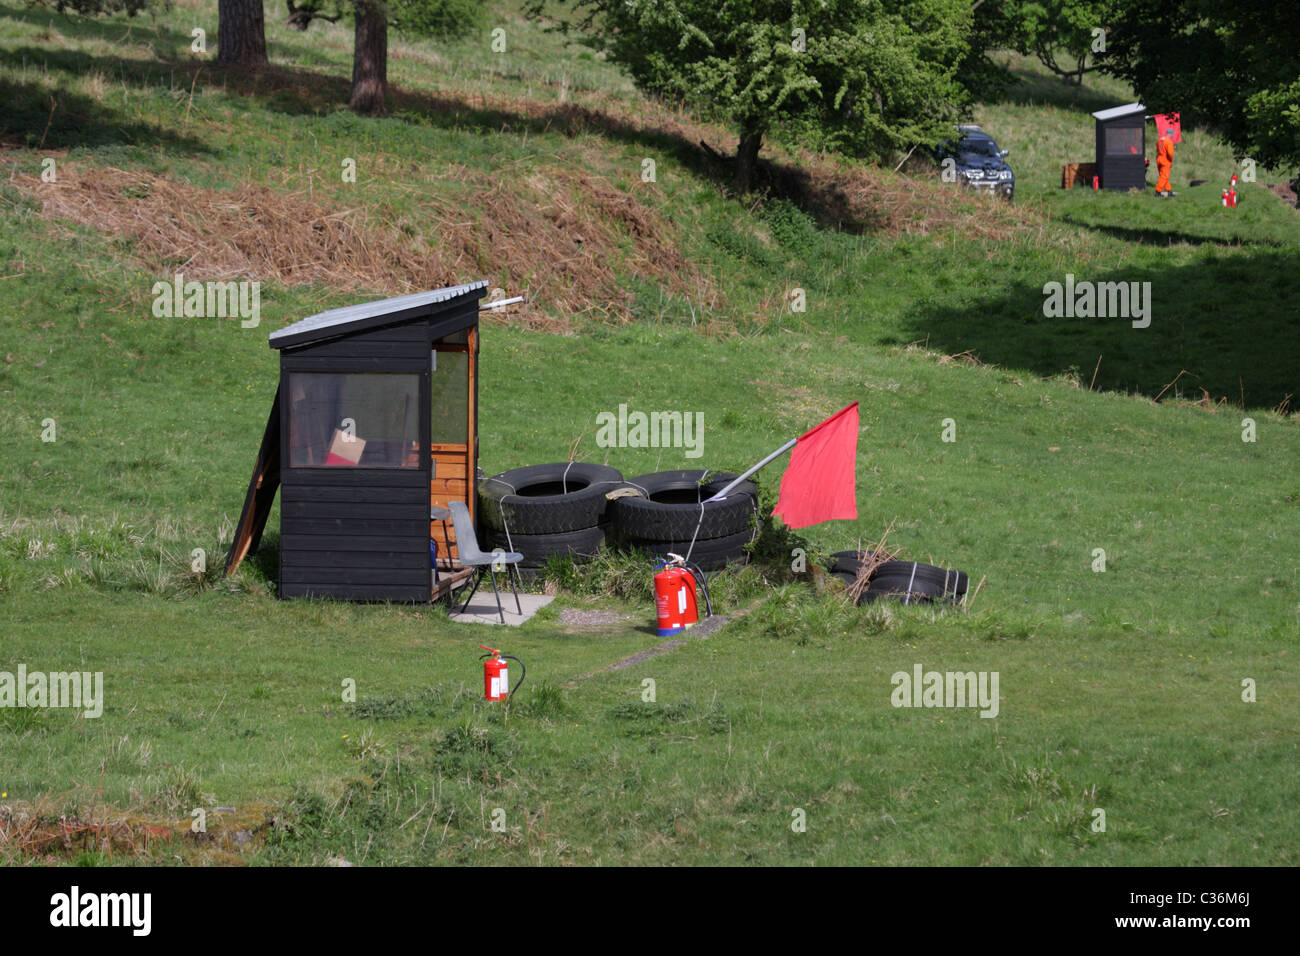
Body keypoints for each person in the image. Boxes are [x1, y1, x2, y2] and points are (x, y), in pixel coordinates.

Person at [1155, 127, 1175, 197]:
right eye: (1173, 135)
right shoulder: (1169, 141)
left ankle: (1169, 191)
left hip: (1159, 158)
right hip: (1165, 160)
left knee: (1163, 176)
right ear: (1171, 134)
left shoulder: (1160, 140)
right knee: (1164, 176)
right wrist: (1170, 160)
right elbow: (1170, 154)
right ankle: (1157, 191)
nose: (1173, 136)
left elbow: (1157, 149)